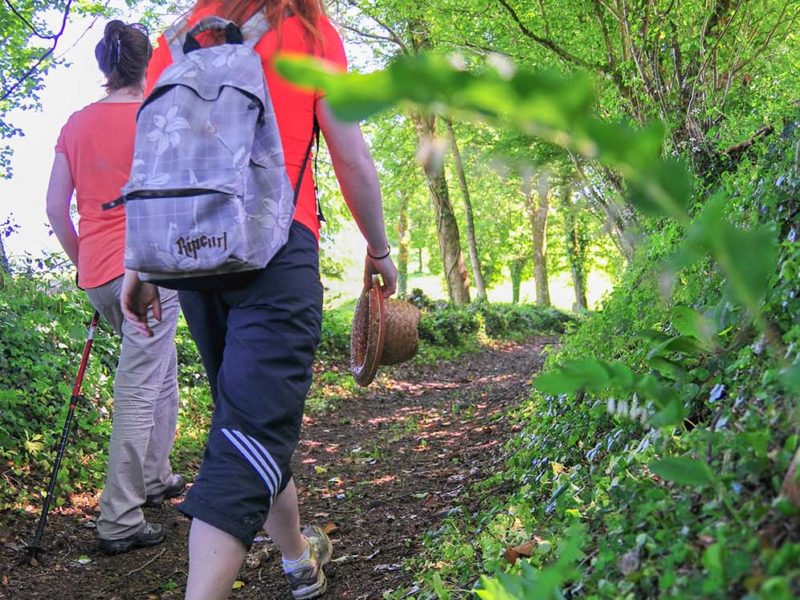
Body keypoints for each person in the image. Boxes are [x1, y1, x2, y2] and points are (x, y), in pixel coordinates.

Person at [121, 1, 398, 598]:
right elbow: (349, 155)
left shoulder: (182, 31)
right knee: (248, 432)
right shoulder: (307, 31)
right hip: (276, 249)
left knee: (247, 421)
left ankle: (298, 558)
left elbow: (157, 159)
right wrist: (379, 249)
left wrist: (139, 262)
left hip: (194, 255)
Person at [45, 20, 185, 555]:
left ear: (104, 68)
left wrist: (88, 265)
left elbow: (56, 208)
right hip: (148, 272)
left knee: (159, 366)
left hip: (99, 274)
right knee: (140, 386)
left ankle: (154, 476)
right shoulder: (157, 114)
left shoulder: (75, 124)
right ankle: (120, 519)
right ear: (145, 64)